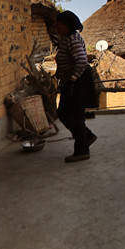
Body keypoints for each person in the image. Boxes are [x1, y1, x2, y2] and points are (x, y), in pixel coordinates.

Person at [52, 10, 97, 163]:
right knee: (68, 114)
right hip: (71, 82)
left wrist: (72, 79)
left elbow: (81, 61)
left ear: (67, 25)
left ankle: (82, 149)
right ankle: (86, 137)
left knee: (71, 114)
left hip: (77, 83)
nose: (57, 27)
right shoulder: (65, 38)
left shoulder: (73, 39)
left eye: (60, 25)